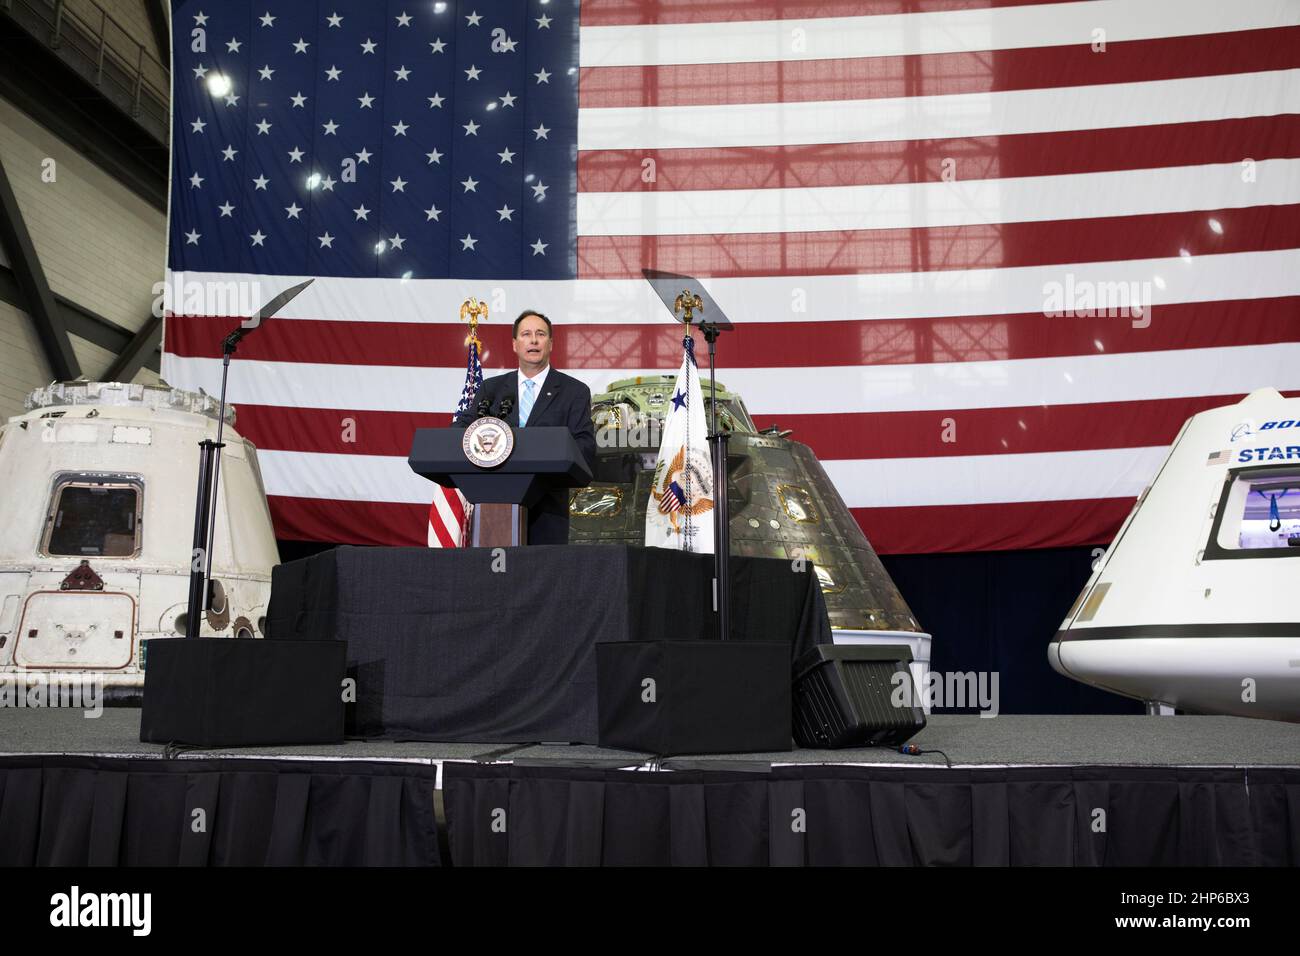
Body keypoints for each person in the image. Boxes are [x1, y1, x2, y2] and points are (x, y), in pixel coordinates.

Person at [454, 310, 596, 545]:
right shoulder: (492, 389)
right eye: (526, 334)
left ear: (550, 344)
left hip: (548, 510)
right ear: (514, 344)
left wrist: (546, 450)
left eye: (540, 334)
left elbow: (586, 446)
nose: (533, 340)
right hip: (494, 509)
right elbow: (462, 429)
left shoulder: (574, 392)